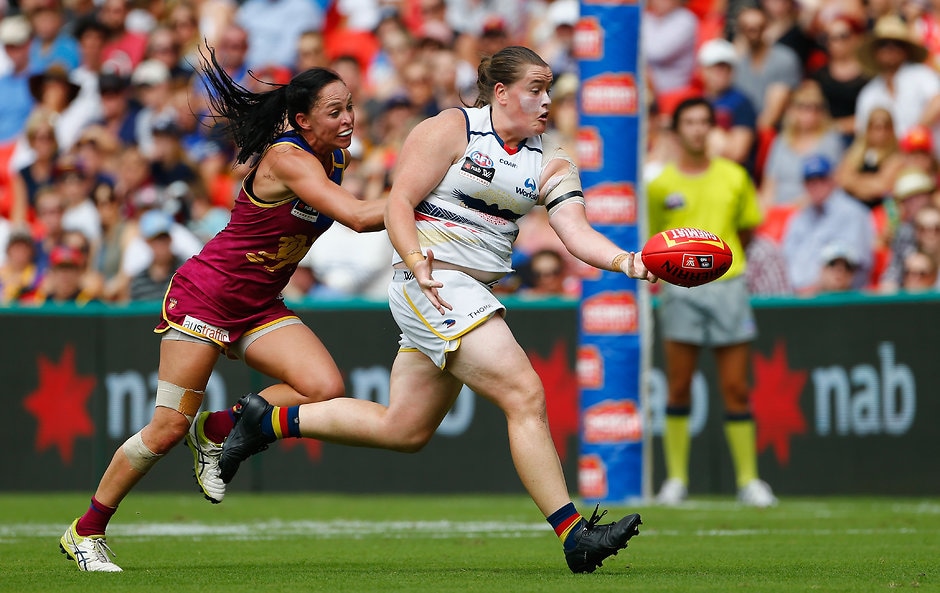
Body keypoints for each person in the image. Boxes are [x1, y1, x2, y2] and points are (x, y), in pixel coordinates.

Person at [213, 46, 652, 574]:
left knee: (406, 430)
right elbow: (399, 203)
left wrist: (631, 262)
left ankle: (268, 421)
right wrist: (417, 260)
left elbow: (577, 235)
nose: (546, 101)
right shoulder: (451, 129)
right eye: (535, 89)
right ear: (502, 92)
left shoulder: (551, 160)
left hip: (465, 290)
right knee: (524, 392)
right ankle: (574, 534)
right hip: (434, 282)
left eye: (549, 89)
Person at [58, 46, 387, 572]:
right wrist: (426, 195)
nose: (348, 119)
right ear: (302, 119)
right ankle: (86, 530)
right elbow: (358, 217)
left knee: (323, 388)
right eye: (335, 111)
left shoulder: (337, 158)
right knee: (165, 429)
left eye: (350, 107)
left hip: (257, 304)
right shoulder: (289, 158)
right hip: (207, 297)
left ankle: (216, 431)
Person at [646, 96, 777, 508]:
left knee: (736, 387)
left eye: (705, 121)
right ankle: (677, 481)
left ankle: (748, 480)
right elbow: (655, 244)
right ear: (677, 130)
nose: (699, 129)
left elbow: (747, 231)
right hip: (679, 290)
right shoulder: (661, 184)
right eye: (690, 122)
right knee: (679, 385)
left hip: (729, 285)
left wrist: (722, 266)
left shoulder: (735, 176)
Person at [780, 154, 875, 293]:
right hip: (795, 297)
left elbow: (855, 267)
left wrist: (816, 288)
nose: (815, 186)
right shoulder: (799, 218)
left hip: (836, 299)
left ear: (832, 180)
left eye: (821, 179)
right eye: (810, 181)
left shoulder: (852, 213)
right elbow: (785, 259)